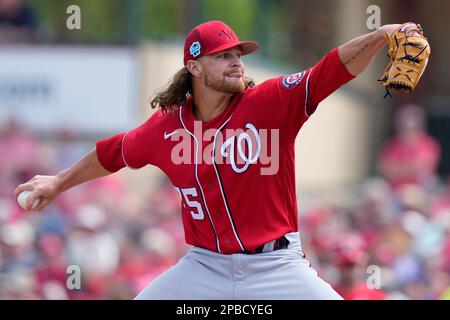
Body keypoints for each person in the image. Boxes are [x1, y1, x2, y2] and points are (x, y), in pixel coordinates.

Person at [15, 20, 416, 300]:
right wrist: (57, 182)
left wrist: (381, 35)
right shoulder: (166, 128)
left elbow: (331, 69)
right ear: (193, 66)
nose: (237, 61)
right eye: (223, 56)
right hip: (203, 267)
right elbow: (112, 153)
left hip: (275, 265)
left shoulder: (270, 103)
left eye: (238, 53)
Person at [378, 104, 441, 191]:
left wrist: (397, 170)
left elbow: (422, 167)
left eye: (411, 128)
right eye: (403, 127)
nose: (407, 131)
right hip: (393, 189)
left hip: (419, 189)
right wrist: (407, 169)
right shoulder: (392, 144)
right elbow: (384, 168)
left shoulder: (428, 144)